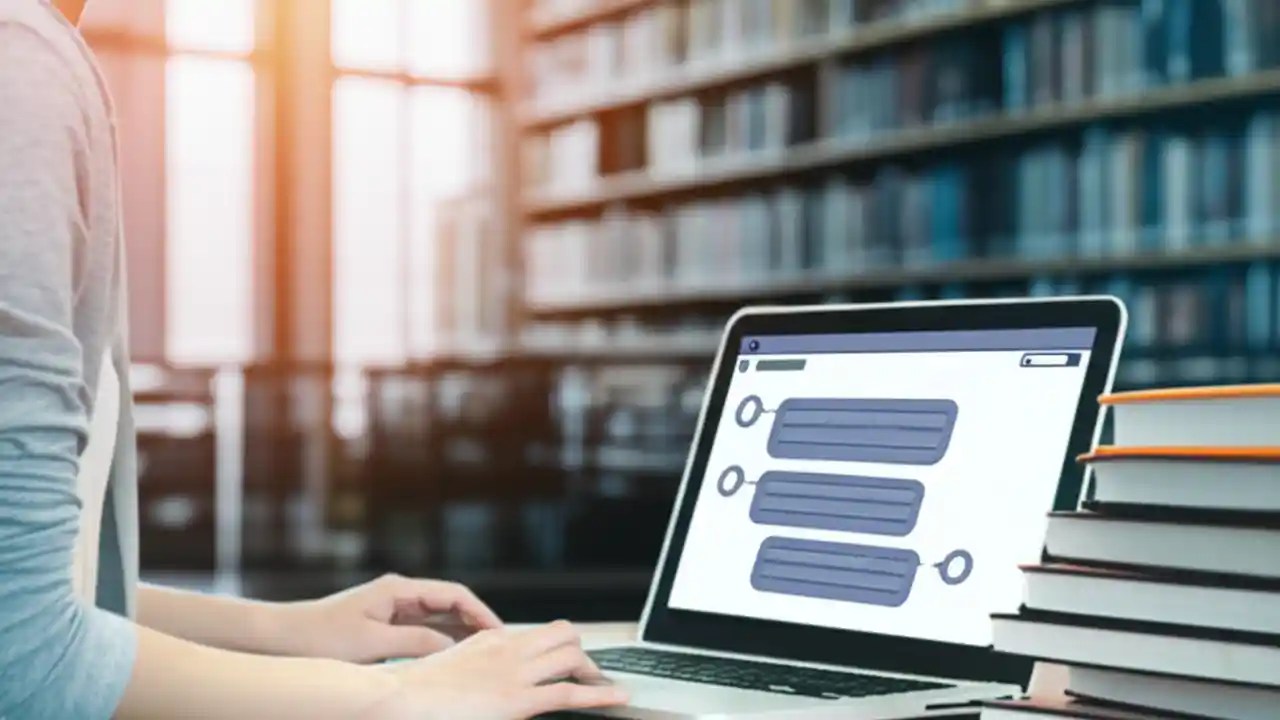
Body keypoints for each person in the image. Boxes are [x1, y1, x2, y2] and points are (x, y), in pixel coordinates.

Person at [0, 0, 629, 717]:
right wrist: (403, 696)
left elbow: (36, 595)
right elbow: (23, 659)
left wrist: (287, 631)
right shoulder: (19, 60)